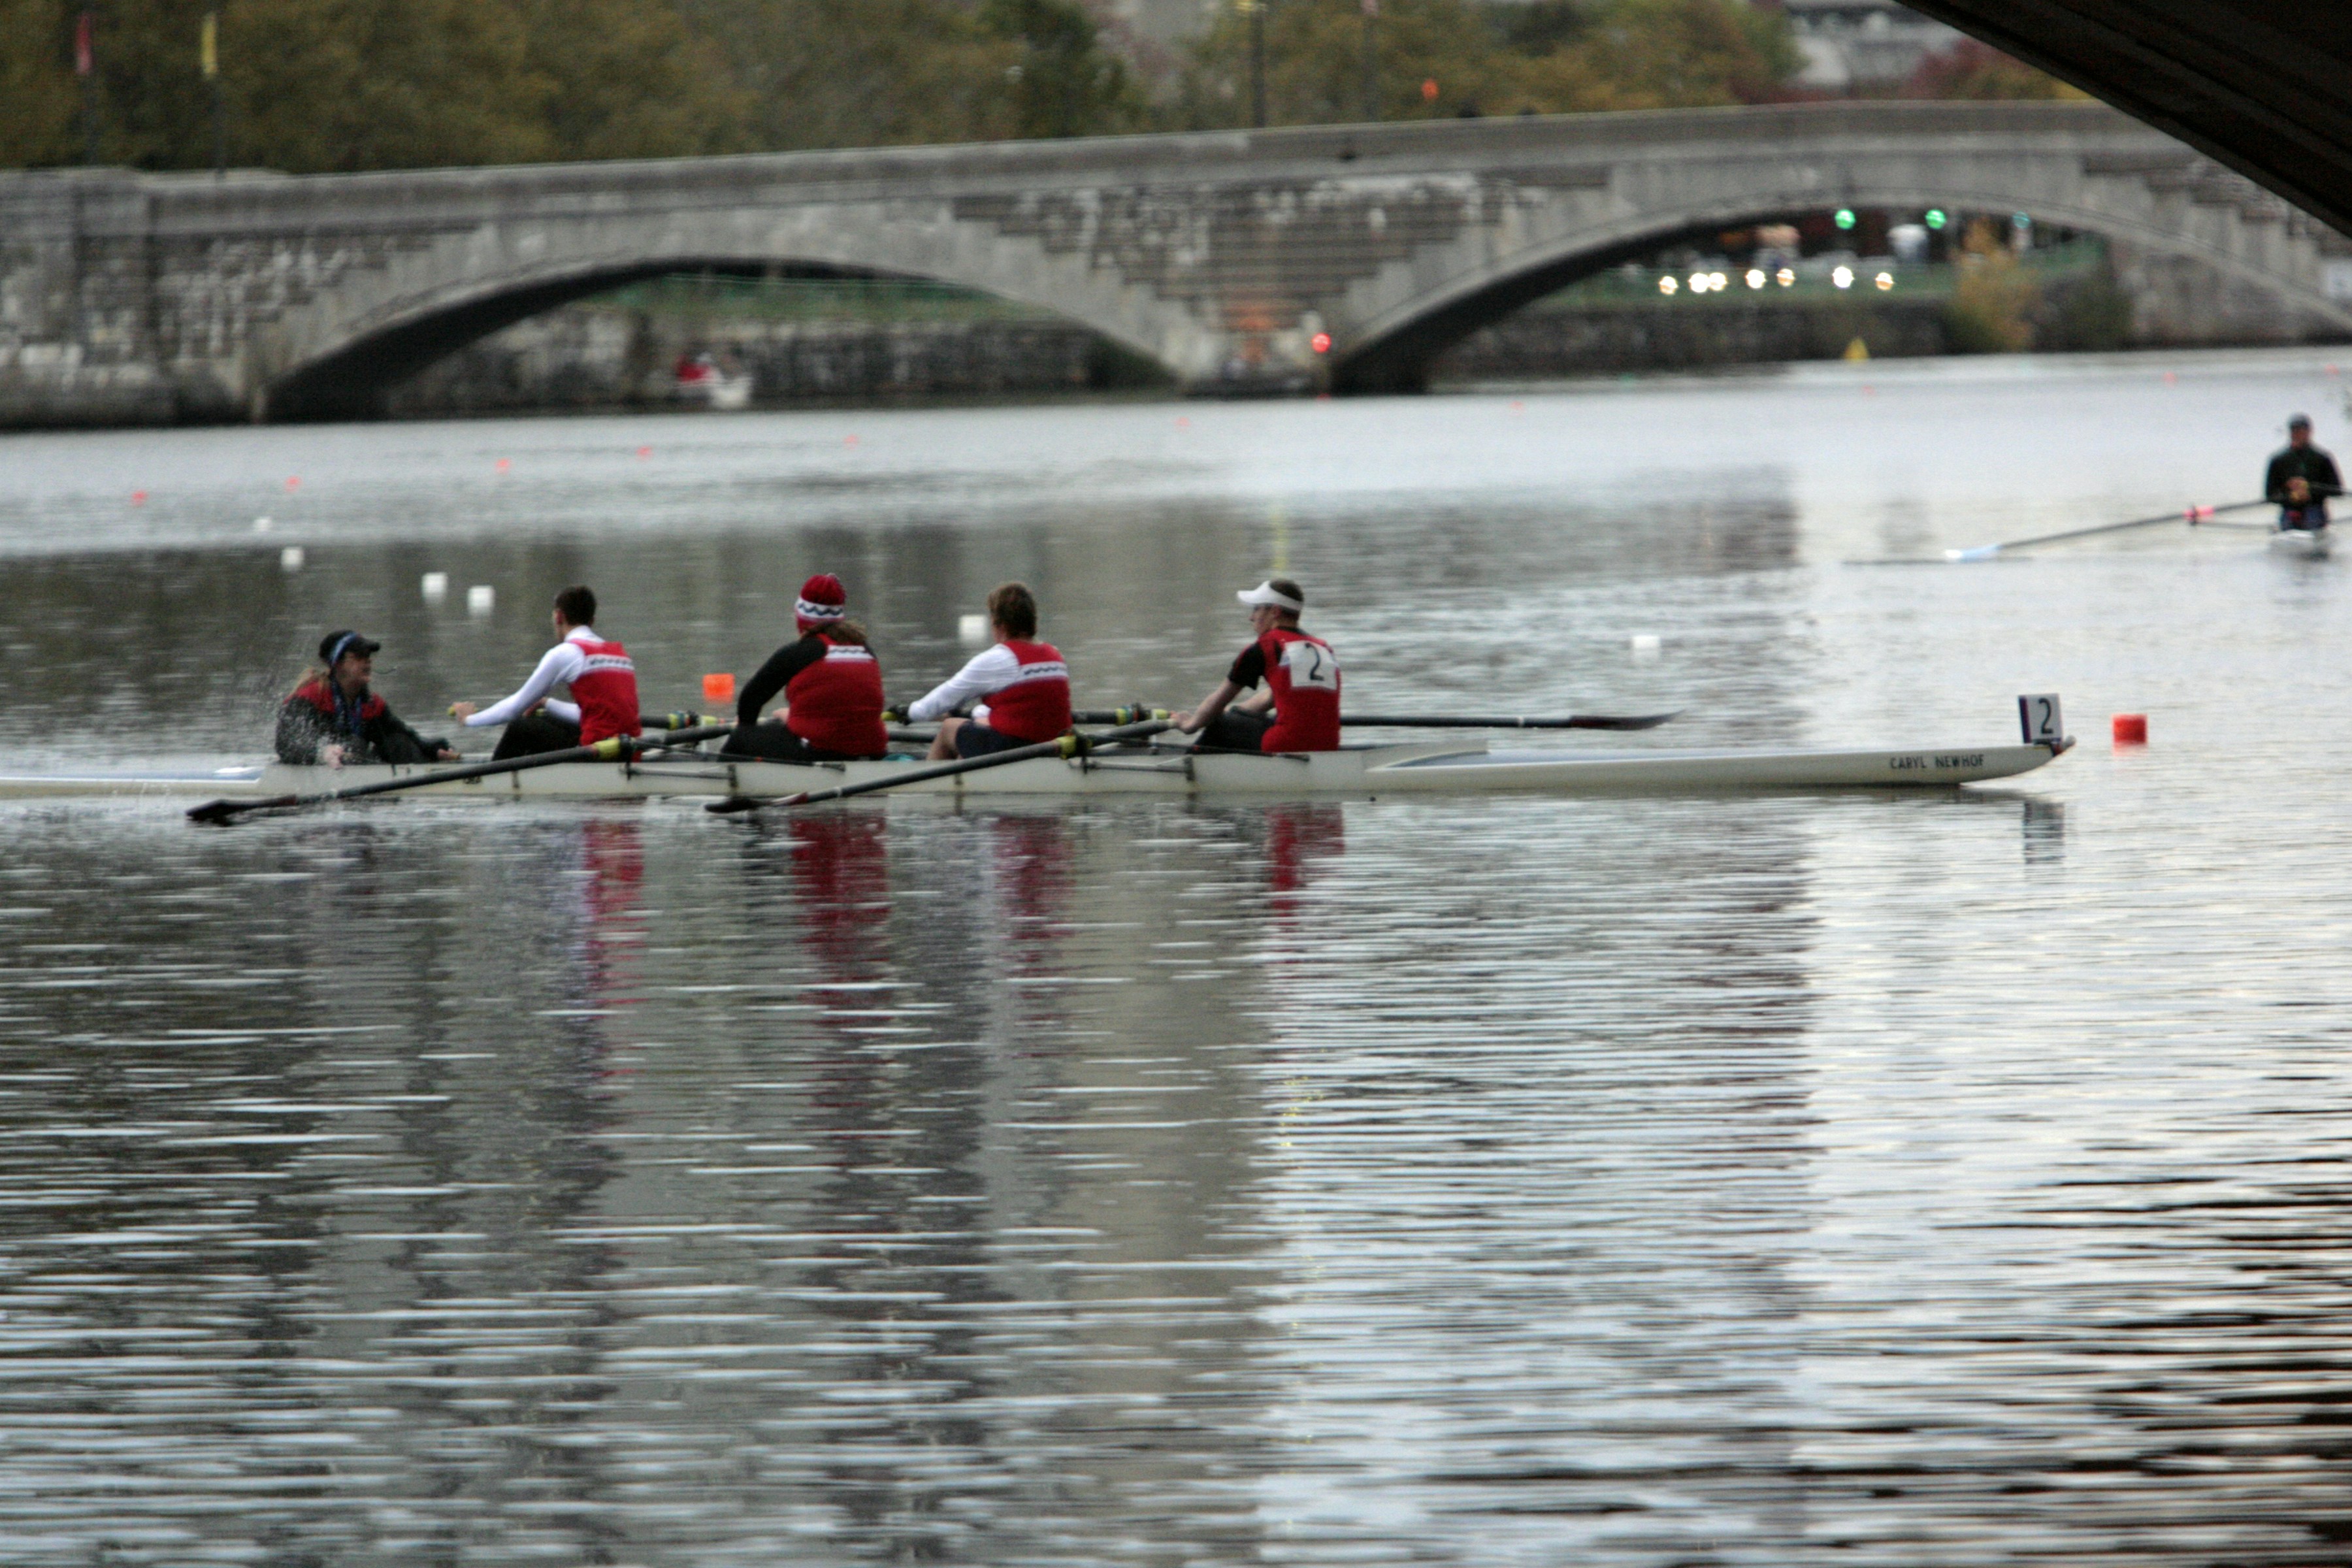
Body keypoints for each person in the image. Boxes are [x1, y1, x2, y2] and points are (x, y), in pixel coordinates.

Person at [447, 585, 641, 760]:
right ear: (592, 620)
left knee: (521, 726)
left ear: (559, 617)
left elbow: (513, 709)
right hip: (630, 748)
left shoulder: (565, 652)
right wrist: (548, 703)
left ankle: (491, 778)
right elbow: (594, 714)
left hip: (598, 751)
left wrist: (468, 720)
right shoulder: (620, 654)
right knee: (544, 717)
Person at [721, 574, 889, 763]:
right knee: (780, 727)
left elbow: (749, 701)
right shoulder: (866, 650)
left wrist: (746, 730)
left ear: (802, 620)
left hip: (820, 753)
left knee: (740, 738)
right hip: (874, 753)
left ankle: (723, 786)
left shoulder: (801, 652)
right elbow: (844, 707)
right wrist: (792, 720)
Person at [905, 582, 1071, 762]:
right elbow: (1024, 707)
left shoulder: (998, 659)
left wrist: (910, 713)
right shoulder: (1055, 655)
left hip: (1019, 749)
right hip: (1055, 746)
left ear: (998, 624)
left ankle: (930, 787)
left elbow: (941, 700)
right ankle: (964, 783)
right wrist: (976, 715)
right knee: (971, 735)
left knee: (949, 729)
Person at [1176, 578, 1342, 754]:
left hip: (1286, 745)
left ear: (1275, 612)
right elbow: (1271, 698)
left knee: (1219, 724)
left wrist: (1190, 724)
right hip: (1329, 745)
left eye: (1257, 609)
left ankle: (1188, 766)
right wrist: (1234, 713)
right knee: (1229, 719)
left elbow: (1219, 699)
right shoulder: (1323, 648)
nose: (1251, 617)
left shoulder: (1265, 647)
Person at [276, 630, 459, 766]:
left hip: (353, 765)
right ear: (338, 664)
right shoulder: (309, 697)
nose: (368, 661)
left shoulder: (371, 704)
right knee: (353, 746)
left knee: (400, 743)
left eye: (369, 656)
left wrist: (433, 751)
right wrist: (321, 753)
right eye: (359, 657)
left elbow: (402, 735)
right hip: (316, 767)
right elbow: (285, 744)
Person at [2265, 414, 2342, 529]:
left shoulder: (2322, 458)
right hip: (2289, 509)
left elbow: (2337, 491)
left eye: (2301, 431)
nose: (2298, 435)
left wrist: (2309, 489)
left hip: (2315, 509)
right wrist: (2289, 491)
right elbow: (2270, 495)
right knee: (2289, 521)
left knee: (2313, 516)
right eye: (2294, 431)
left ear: (2309, 432)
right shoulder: (2277, 460)